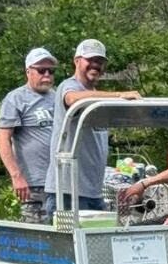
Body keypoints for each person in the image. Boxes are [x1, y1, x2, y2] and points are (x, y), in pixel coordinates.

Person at [42, 39, 142, 220]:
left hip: (94, 193)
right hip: (68, 192)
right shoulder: (69, 86)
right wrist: (119, 95)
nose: (95, 65)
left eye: (100, 61)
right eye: (90, 60)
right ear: (77, 61)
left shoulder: (99, 98)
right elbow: (72, 99)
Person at [0, 47, 56, 264]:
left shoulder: (58, 97)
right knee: (33, 233)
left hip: (59, 180)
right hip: (33, 181)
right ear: (29, 71)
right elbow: (2, 140)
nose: (46, 75)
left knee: (58, 236)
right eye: (41, 70)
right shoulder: (16, 99)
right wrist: (16, 175)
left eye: (50, 71)